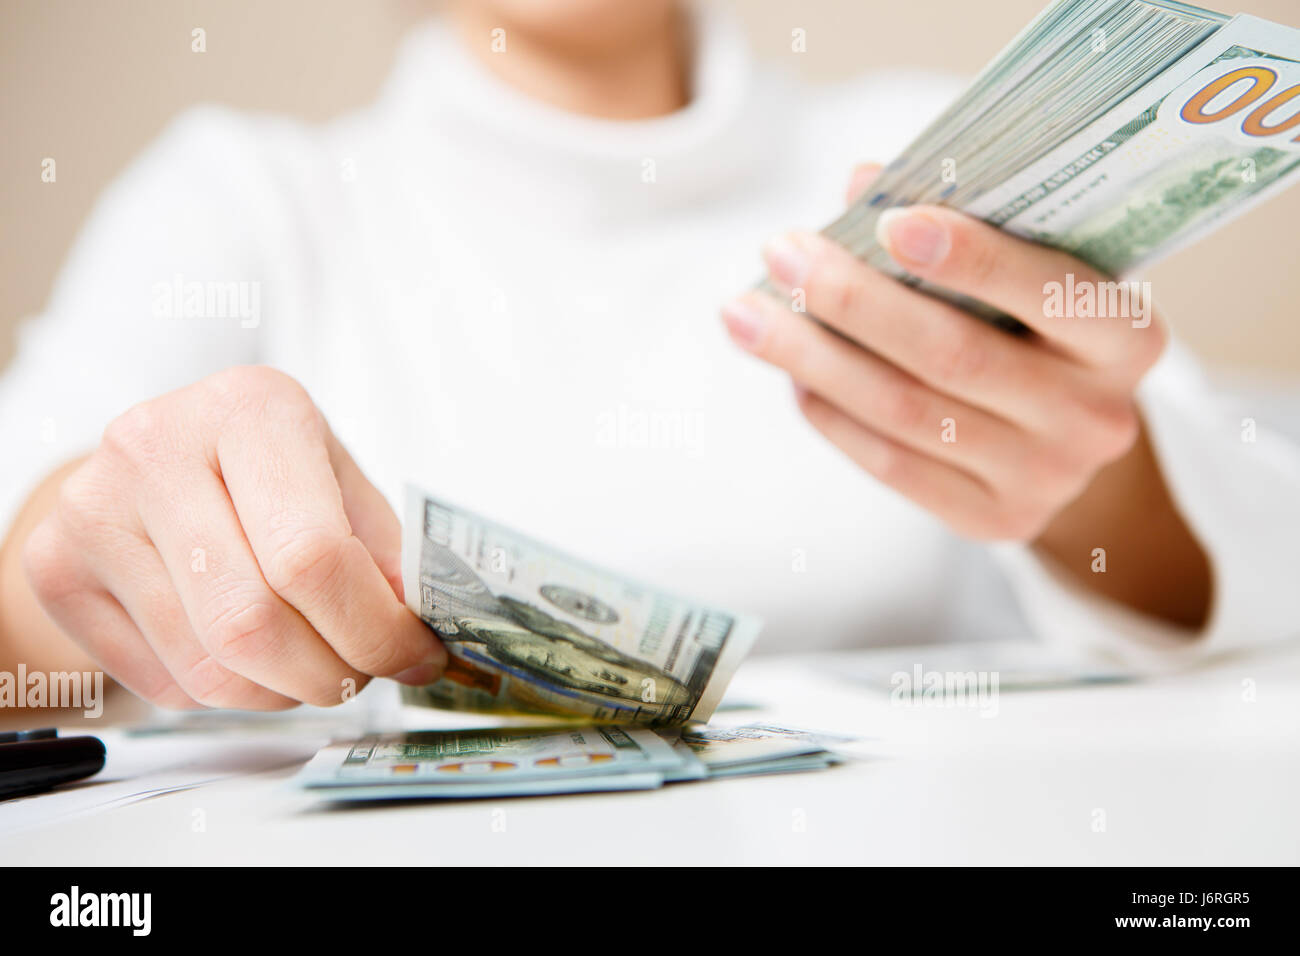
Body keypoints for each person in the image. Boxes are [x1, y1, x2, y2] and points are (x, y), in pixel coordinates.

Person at [1, 0, 1296, 713]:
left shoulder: (921, 159)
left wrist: (1092, 491)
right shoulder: (242, 196)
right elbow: (27, 587)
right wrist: (77, 546)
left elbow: (1259, 575)